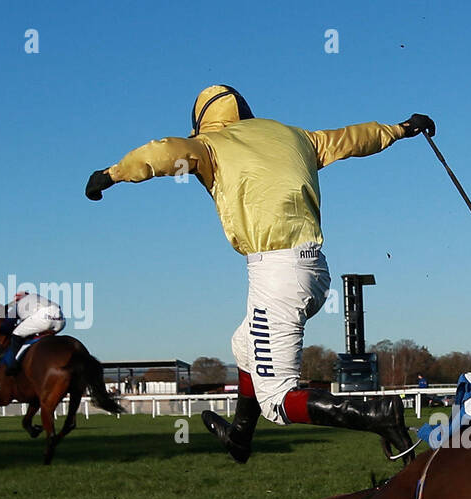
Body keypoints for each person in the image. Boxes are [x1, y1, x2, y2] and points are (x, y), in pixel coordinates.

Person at [84, 84, 433, 463]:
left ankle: (377, 415)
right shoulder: (296, 135)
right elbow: (354, 138)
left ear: (202, 123)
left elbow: (164, 153)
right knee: (243, 345)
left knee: (278, 402)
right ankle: (240, 436)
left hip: (277, 276)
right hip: (313, 270)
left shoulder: (210, 144)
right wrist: (401, 128)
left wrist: (112, 173)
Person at [0, 292, 66, 375]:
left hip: (44, 317)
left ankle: (13, 365)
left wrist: (2, 329)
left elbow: (7, 325)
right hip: (61, 319)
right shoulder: (37, 298)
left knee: (16, 334)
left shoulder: (18, 304)